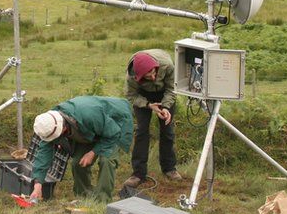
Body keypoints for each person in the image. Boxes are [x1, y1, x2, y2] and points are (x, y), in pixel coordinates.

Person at [29, 96, 133, 203]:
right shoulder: (50, 122)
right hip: (91, 129)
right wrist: (38, 184)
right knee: (77, 162)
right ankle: (84, 196)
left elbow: (113, 133)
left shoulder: (89, 115)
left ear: (63, 128)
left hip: (115, 124)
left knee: (106, 161)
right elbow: (43, 154)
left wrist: (93, 152)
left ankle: (102, 201)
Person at [123, 49, 181, 188]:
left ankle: (169, 169)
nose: (153, 78)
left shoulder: (167, 66)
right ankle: (138, 174)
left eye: (154, 73)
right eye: (149, 77)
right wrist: (148, 105)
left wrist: (166, 107)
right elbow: (131, 96)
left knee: (167, 130)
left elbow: (172, 89)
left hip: (164, 94)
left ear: (156, 68)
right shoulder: (132, 76)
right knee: (142, 131)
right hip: (142, 96)